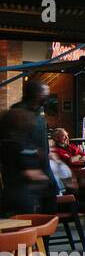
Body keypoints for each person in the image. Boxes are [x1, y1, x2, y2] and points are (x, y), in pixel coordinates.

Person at [0, 79, 54, 215]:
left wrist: (49, 152)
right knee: (26, 214)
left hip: (42, 169)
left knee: (49, 208)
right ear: (35, 94)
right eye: (44, 93)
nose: (46, 97)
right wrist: (28, 166)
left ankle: (42, 234)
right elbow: (16, 144)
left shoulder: (39, 112)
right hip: (24, 175)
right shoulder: (18, 113)